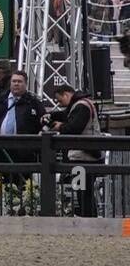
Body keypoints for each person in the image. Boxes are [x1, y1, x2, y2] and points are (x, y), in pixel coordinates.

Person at [45, 84, 102, 216]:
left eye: (60, 100)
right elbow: (66, 116)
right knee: (84, 192)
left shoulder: (81, 106)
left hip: (83, 157)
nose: (61, 104)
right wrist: (51, 116)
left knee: (83, 193)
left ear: (66, 94)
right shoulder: (82, 104)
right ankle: (89, 219)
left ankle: (88, 219)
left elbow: (73, 129)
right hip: (86, 156)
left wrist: (59, 127)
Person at [0, 70, 46, 136]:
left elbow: (43, 122)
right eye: (14, 81)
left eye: (19, 81)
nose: (16, 84)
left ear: (26, 84)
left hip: (24, 143)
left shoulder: (33, 102)